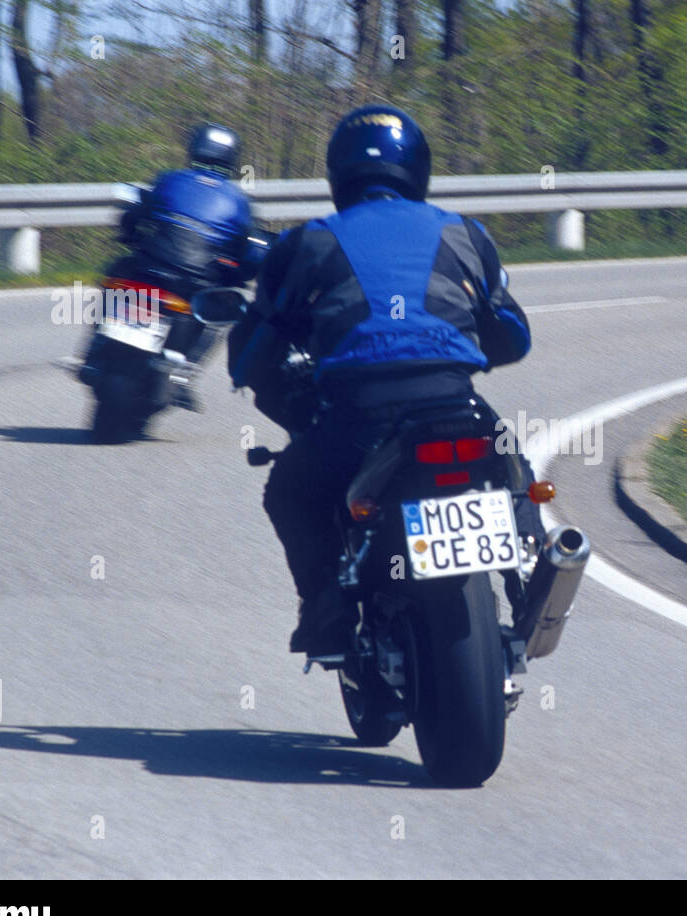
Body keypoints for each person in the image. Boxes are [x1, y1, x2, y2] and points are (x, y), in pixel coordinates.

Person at [227, 104, 537, 655]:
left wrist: (267, 366)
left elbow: (253, 355)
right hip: (453, 402)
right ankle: (534, 555)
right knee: (510, 459)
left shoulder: (307, 242)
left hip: (358, 415)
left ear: (338, 173)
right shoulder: (465, 233)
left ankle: (325, 605)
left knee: (290, 490)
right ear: (418, 169)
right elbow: (513, 336)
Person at [80, 122, 263, 410]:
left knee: (114, 275)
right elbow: (248, 251)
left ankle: (94, 349)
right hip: (195, 281)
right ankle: (184, 373)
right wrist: (239, 272)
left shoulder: (169, 179)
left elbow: (136, 214)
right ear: (232, 157)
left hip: (148, 266)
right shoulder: (238, 201)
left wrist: (129, 235)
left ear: (194, 149)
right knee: (223, 309)